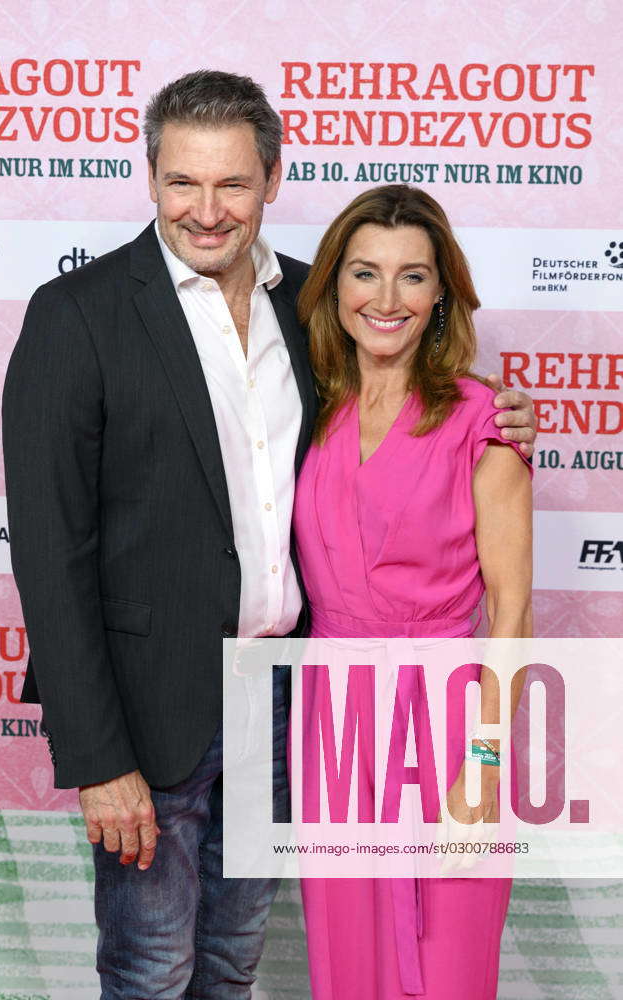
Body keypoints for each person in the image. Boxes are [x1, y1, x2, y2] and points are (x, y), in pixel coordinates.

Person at [1, 70, 535, 999]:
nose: (206, 211)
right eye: (182, 183)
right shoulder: (75, 317)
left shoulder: (308, 312)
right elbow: (50, 555)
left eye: (232, 184)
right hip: (148, 711)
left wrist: (496, 416)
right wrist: (98, 760)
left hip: (286, 708)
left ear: (273, 179)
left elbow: (410, 401)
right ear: (151, 176)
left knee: (232, 960)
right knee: (149, 966)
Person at [292, 184, 533, 999]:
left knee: (451, 961)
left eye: (412, 276)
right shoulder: (306, 407)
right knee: (344, 959)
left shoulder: (481, 419)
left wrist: (484, 767)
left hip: (446, 718)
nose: (386, 299)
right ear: (333, 287)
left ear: (440, 293)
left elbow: (510, 612)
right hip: (330, 720)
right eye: (364, 274)